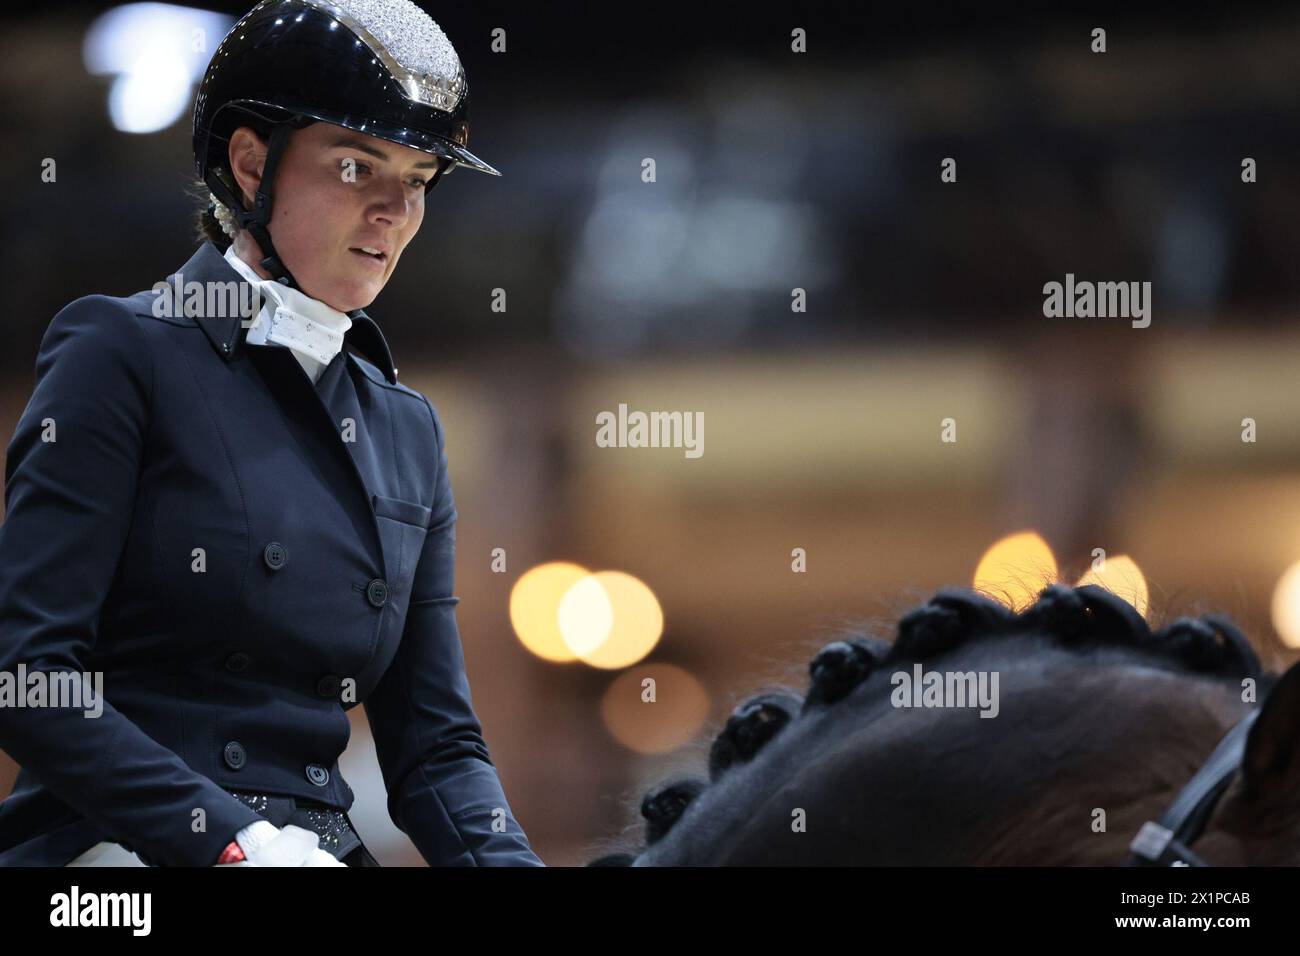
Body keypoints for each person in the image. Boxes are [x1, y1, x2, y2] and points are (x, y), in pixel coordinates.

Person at [0, 0, 544, 867]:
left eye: (417, 177)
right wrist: (233, 841)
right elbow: (27, 675)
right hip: (112, 849)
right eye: (358, 166)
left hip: (320, 849)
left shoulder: (406, 429)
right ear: (252, 167)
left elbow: (436, 748)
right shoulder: (121, 351)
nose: (394, 209)